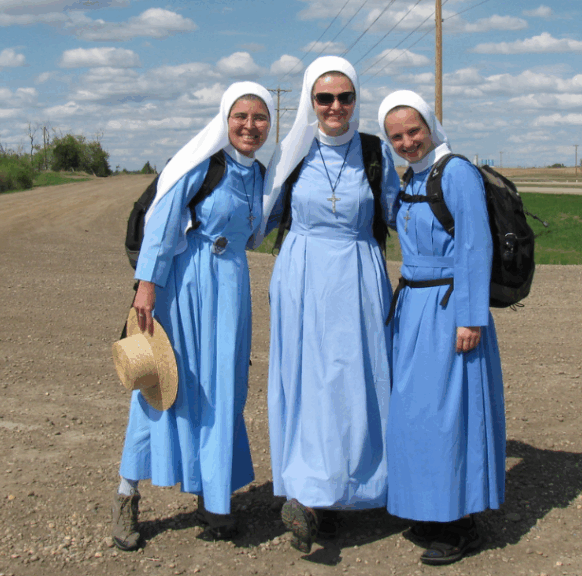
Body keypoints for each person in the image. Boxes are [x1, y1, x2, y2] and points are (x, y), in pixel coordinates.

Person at [112, 82, 275, 550]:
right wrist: (147, 285)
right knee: (164, 385)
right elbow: (163, 222)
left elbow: (258, 234)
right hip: (184, 286)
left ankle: (213, 498)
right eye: (241, 116)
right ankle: (126, 495)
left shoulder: (260, 175)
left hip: (231, 291)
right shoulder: (200, 164)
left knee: (223, 390)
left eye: (260, 118)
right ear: (225, 119)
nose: (250, 126)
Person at [258, 56, 400, 553]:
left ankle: (348, 490)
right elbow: (258, 217)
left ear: (356, 99)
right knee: (309, 382)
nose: (335, 106)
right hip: (302, 278)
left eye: (344, 97)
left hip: (359, 278)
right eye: (324, 98)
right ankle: (309, 491)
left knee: (353, 381)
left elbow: (401, 216)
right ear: (309, 102)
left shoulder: (375, 154)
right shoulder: (292, 153)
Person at [377, 90, 506, 566]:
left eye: (414, 130)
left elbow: (475, 247)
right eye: (397, 136)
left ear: (430, 125)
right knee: (416, 414)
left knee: (449, 414)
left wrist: (471, 317)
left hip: (450, 309)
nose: (408, 141)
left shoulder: (456, 174)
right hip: (413, 307)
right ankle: (428, 507)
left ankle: (458, 523)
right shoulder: (415, 177)